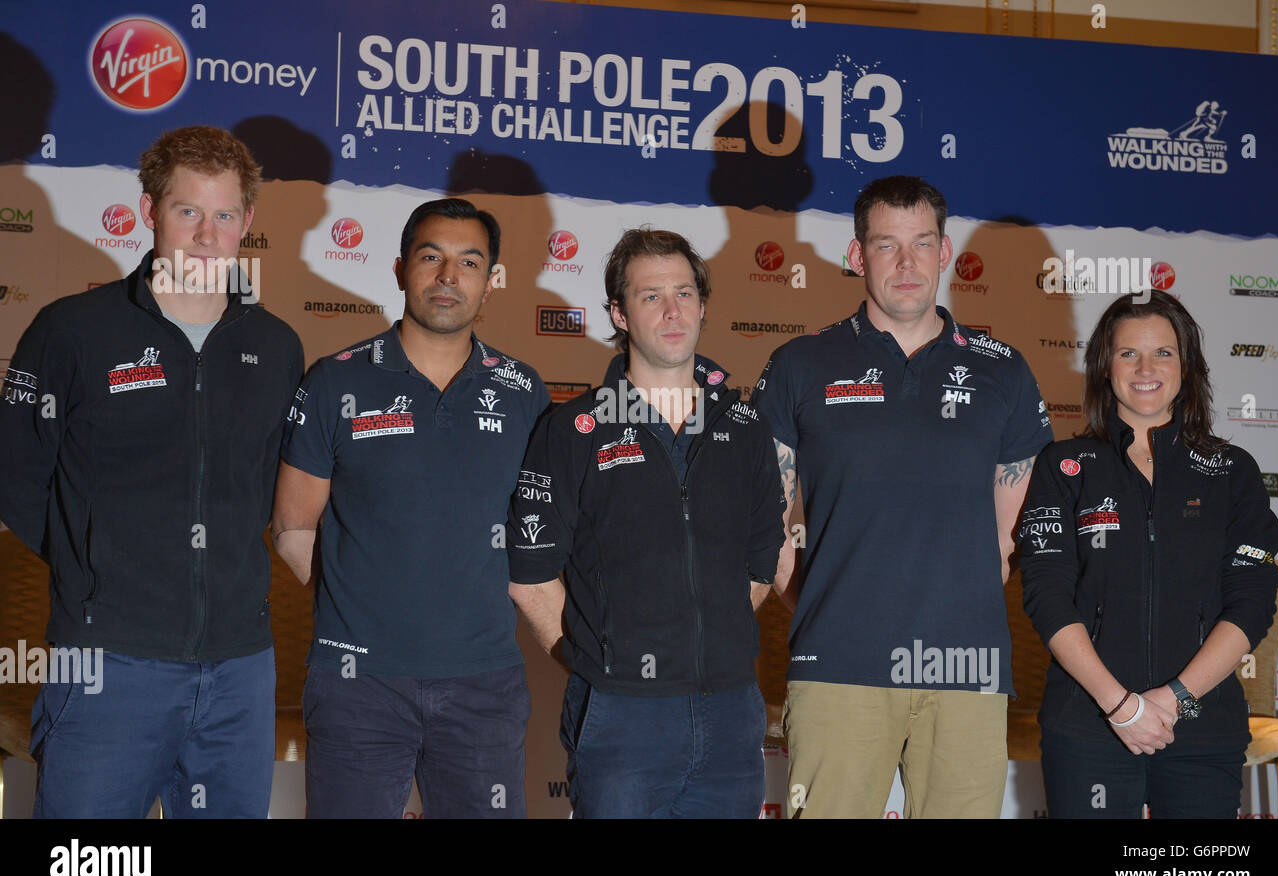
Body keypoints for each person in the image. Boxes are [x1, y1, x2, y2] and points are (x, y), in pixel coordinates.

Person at [0, 125, 304, 818]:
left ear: (247, 223)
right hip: (109, 666)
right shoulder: (72, 331)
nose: (206, 234)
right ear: (148, 212)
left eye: (225, 214)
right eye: (186, 211)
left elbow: (269, 490)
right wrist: (97, 569)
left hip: (239, 673)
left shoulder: (275, 346)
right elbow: (18, 479)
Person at [750, 175, 1054, 818]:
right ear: (858, 256)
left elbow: (1008, 538)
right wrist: (828, 600)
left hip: (967, 669)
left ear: (946, 253)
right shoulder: (801, 364)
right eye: (887, 245)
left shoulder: (1004, 370)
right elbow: (765, 525)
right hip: (836, 665)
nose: (907, 263)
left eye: (923, 244)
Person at [272, 198, 549, 818]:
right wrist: (370, 607)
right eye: (432, 257)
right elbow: (293, 528)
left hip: (484, 685)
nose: (448, 277)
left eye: (469, 262)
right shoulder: (335, 382)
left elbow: (540, 536)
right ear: (400, 269)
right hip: (357, 685)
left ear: (489, 281)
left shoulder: (525, 393)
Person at [507, 228, 786, 818]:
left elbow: (761, 564)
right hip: (619, 717)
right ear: (619, 312)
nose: (671, 310)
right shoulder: (573, 429)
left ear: (704, 306)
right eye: (650, 295)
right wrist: (598, 657)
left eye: (684, 293)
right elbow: (531, 578)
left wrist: (701, 645)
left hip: (731, 712)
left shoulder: (745, 427)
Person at [1019, 290, 1278, 818]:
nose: (1145, 368)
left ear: (1187, 366)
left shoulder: (1233, 471)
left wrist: (1171, 700)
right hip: (1087, 724)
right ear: (1104, 365)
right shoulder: (1064, 467)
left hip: (1203, 728)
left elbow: (1251, 604)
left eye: (1163, 352)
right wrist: (1119, 706)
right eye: (1127, 353)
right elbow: (1047, 597)